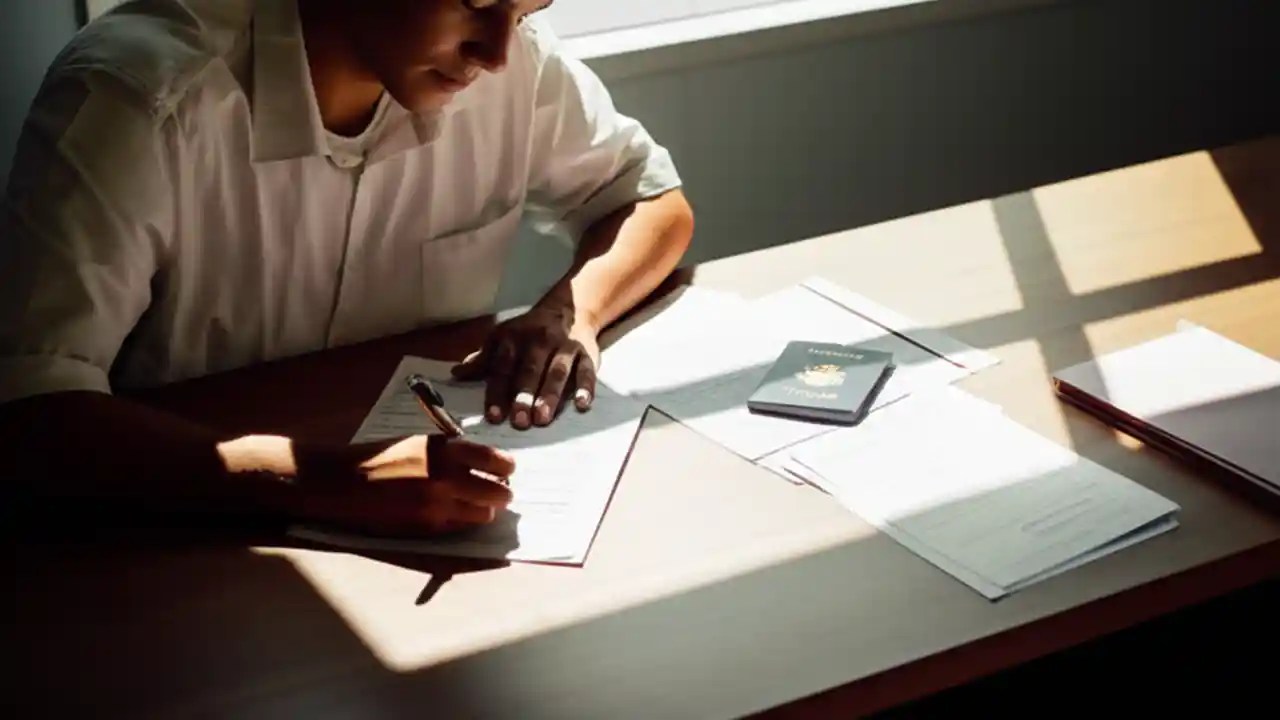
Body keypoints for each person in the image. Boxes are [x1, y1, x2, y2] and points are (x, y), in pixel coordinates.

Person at [0, 0, 694, 536]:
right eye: (476, 3)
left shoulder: (513, 71)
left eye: (526, 10)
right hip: (170, 542)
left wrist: (570, 314)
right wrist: (331, 483)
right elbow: (32, 411)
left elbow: (650, 198)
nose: (498, 53)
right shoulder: (136, 100)